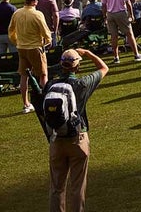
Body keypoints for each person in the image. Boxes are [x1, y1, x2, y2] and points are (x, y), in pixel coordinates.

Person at [30, 47, 108, 212]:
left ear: (61, 65)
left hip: (56, 139)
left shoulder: (51, 84)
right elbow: (104, 68)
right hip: (77, 138)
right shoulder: (81, 84)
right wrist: (87, 54)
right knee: (77, 186)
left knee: (56, 187)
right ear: (77, 66)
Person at [10, 0, 54, 114]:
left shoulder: (17, 13)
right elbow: (46, 32)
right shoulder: (37, 14)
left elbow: (11, 30)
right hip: (35, 48)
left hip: (22, 47)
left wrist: (17, 41)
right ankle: (45, 101)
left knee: (24, 76)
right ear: (34, 1)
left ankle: (26, 104)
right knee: (43, 74)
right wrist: (48, 41)